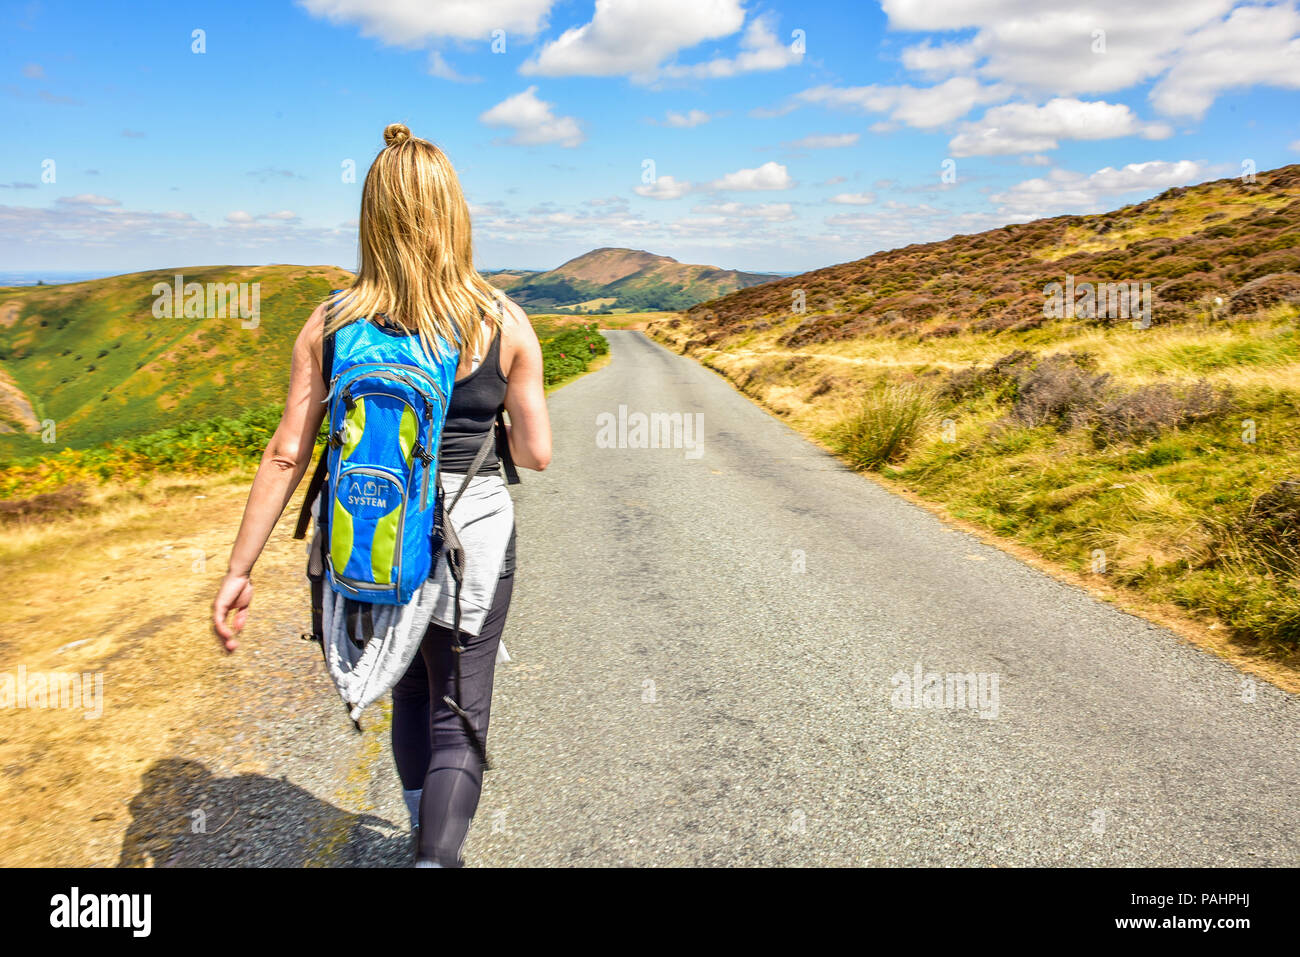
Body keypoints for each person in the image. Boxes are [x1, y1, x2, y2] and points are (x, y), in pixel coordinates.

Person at [212, 122, 552, 868]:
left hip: (376, 535)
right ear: (456, 216)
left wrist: (238, 572)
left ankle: (419, 835)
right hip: (474, 543)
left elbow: (285, 454)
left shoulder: (332, 322)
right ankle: (436, 856)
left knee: (406, 690)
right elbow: (538, 453)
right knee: (459, 713)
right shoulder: (502, 321)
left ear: (373, 218)